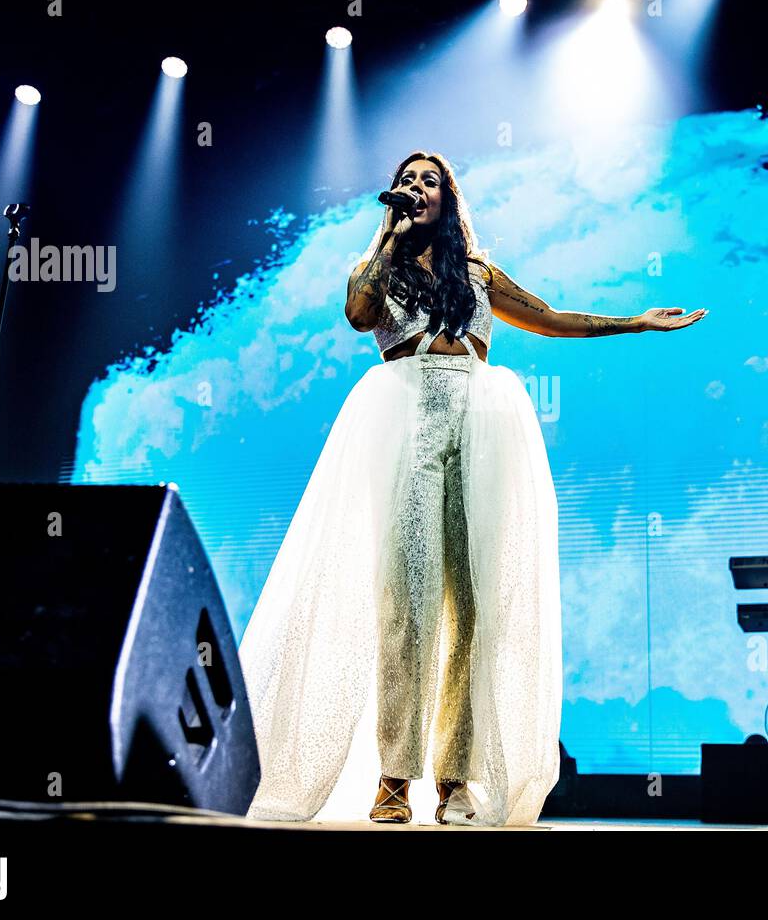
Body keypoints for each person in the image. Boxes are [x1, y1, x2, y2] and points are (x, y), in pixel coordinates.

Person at [238, 150, 707, 826]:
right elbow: (357, 313)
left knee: (470, 609)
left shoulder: (479, 274)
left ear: (450, 199)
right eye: (408, 180)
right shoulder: (378, 265)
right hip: (402, 421)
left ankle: (454, 778)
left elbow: (551, 316)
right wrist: (385, 235)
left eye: (430, 181)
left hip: (479, 425)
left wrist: (635, 321)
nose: (416, 188)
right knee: (405, 605)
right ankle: (394, 778)